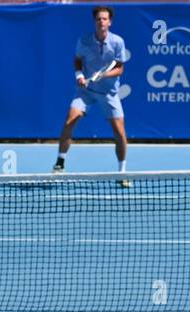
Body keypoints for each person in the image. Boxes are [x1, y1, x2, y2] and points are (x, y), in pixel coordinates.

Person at [54, 6, 130, 185]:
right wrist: (79, 76)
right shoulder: (84, 41)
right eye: (98, 19)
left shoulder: (118, 42)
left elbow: (119, 68)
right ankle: (60, 163)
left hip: (109, 93)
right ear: (94, 21)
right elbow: (78, 61)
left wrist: (103, 75)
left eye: (104, 19)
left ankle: (122, 172)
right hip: (86, 91)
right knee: (69, 121)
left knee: (119, 132)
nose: (101, 22)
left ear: (109, 22)